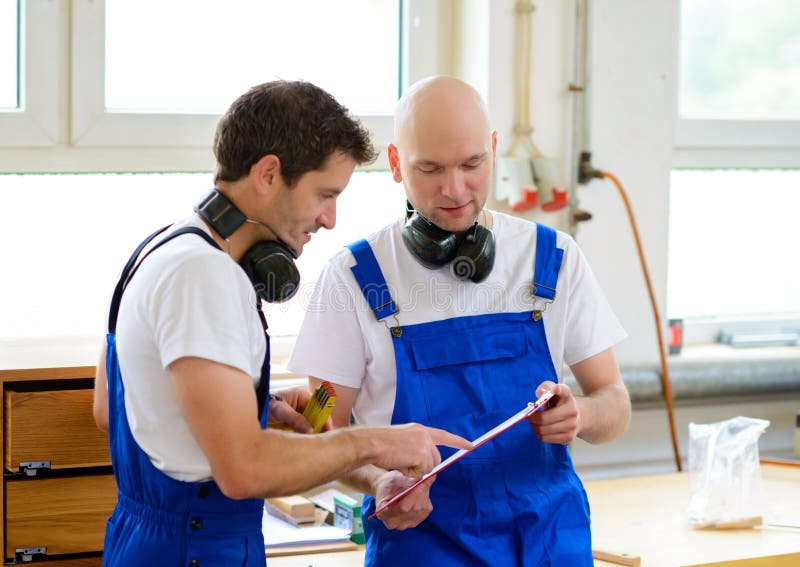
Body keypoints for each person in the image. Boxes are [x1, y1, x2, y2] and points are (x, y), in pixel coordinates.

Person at [92, 80, 470, 567]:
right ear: (269, 173)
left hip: (147, 543)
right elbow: (244, 471)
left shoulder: (159, 249)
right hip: (195, 550)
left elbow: (111, 409)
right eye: (324, 194)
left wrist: (246, 407)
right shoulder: (206, 275)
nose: (330, 219)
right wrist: (377, 439)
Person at [288, 75, 632, 566]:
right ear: (394, 164)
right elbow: (320, 428)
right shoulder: (352, 278)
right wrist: (379, 480)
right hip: (421, 545)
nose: (455, 189)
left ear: (493, 149)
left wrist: (582, 414)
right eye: (429, 169)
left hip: (550, 544)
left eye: (473, 164)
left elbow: (614, 403)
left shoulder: (553, 259)